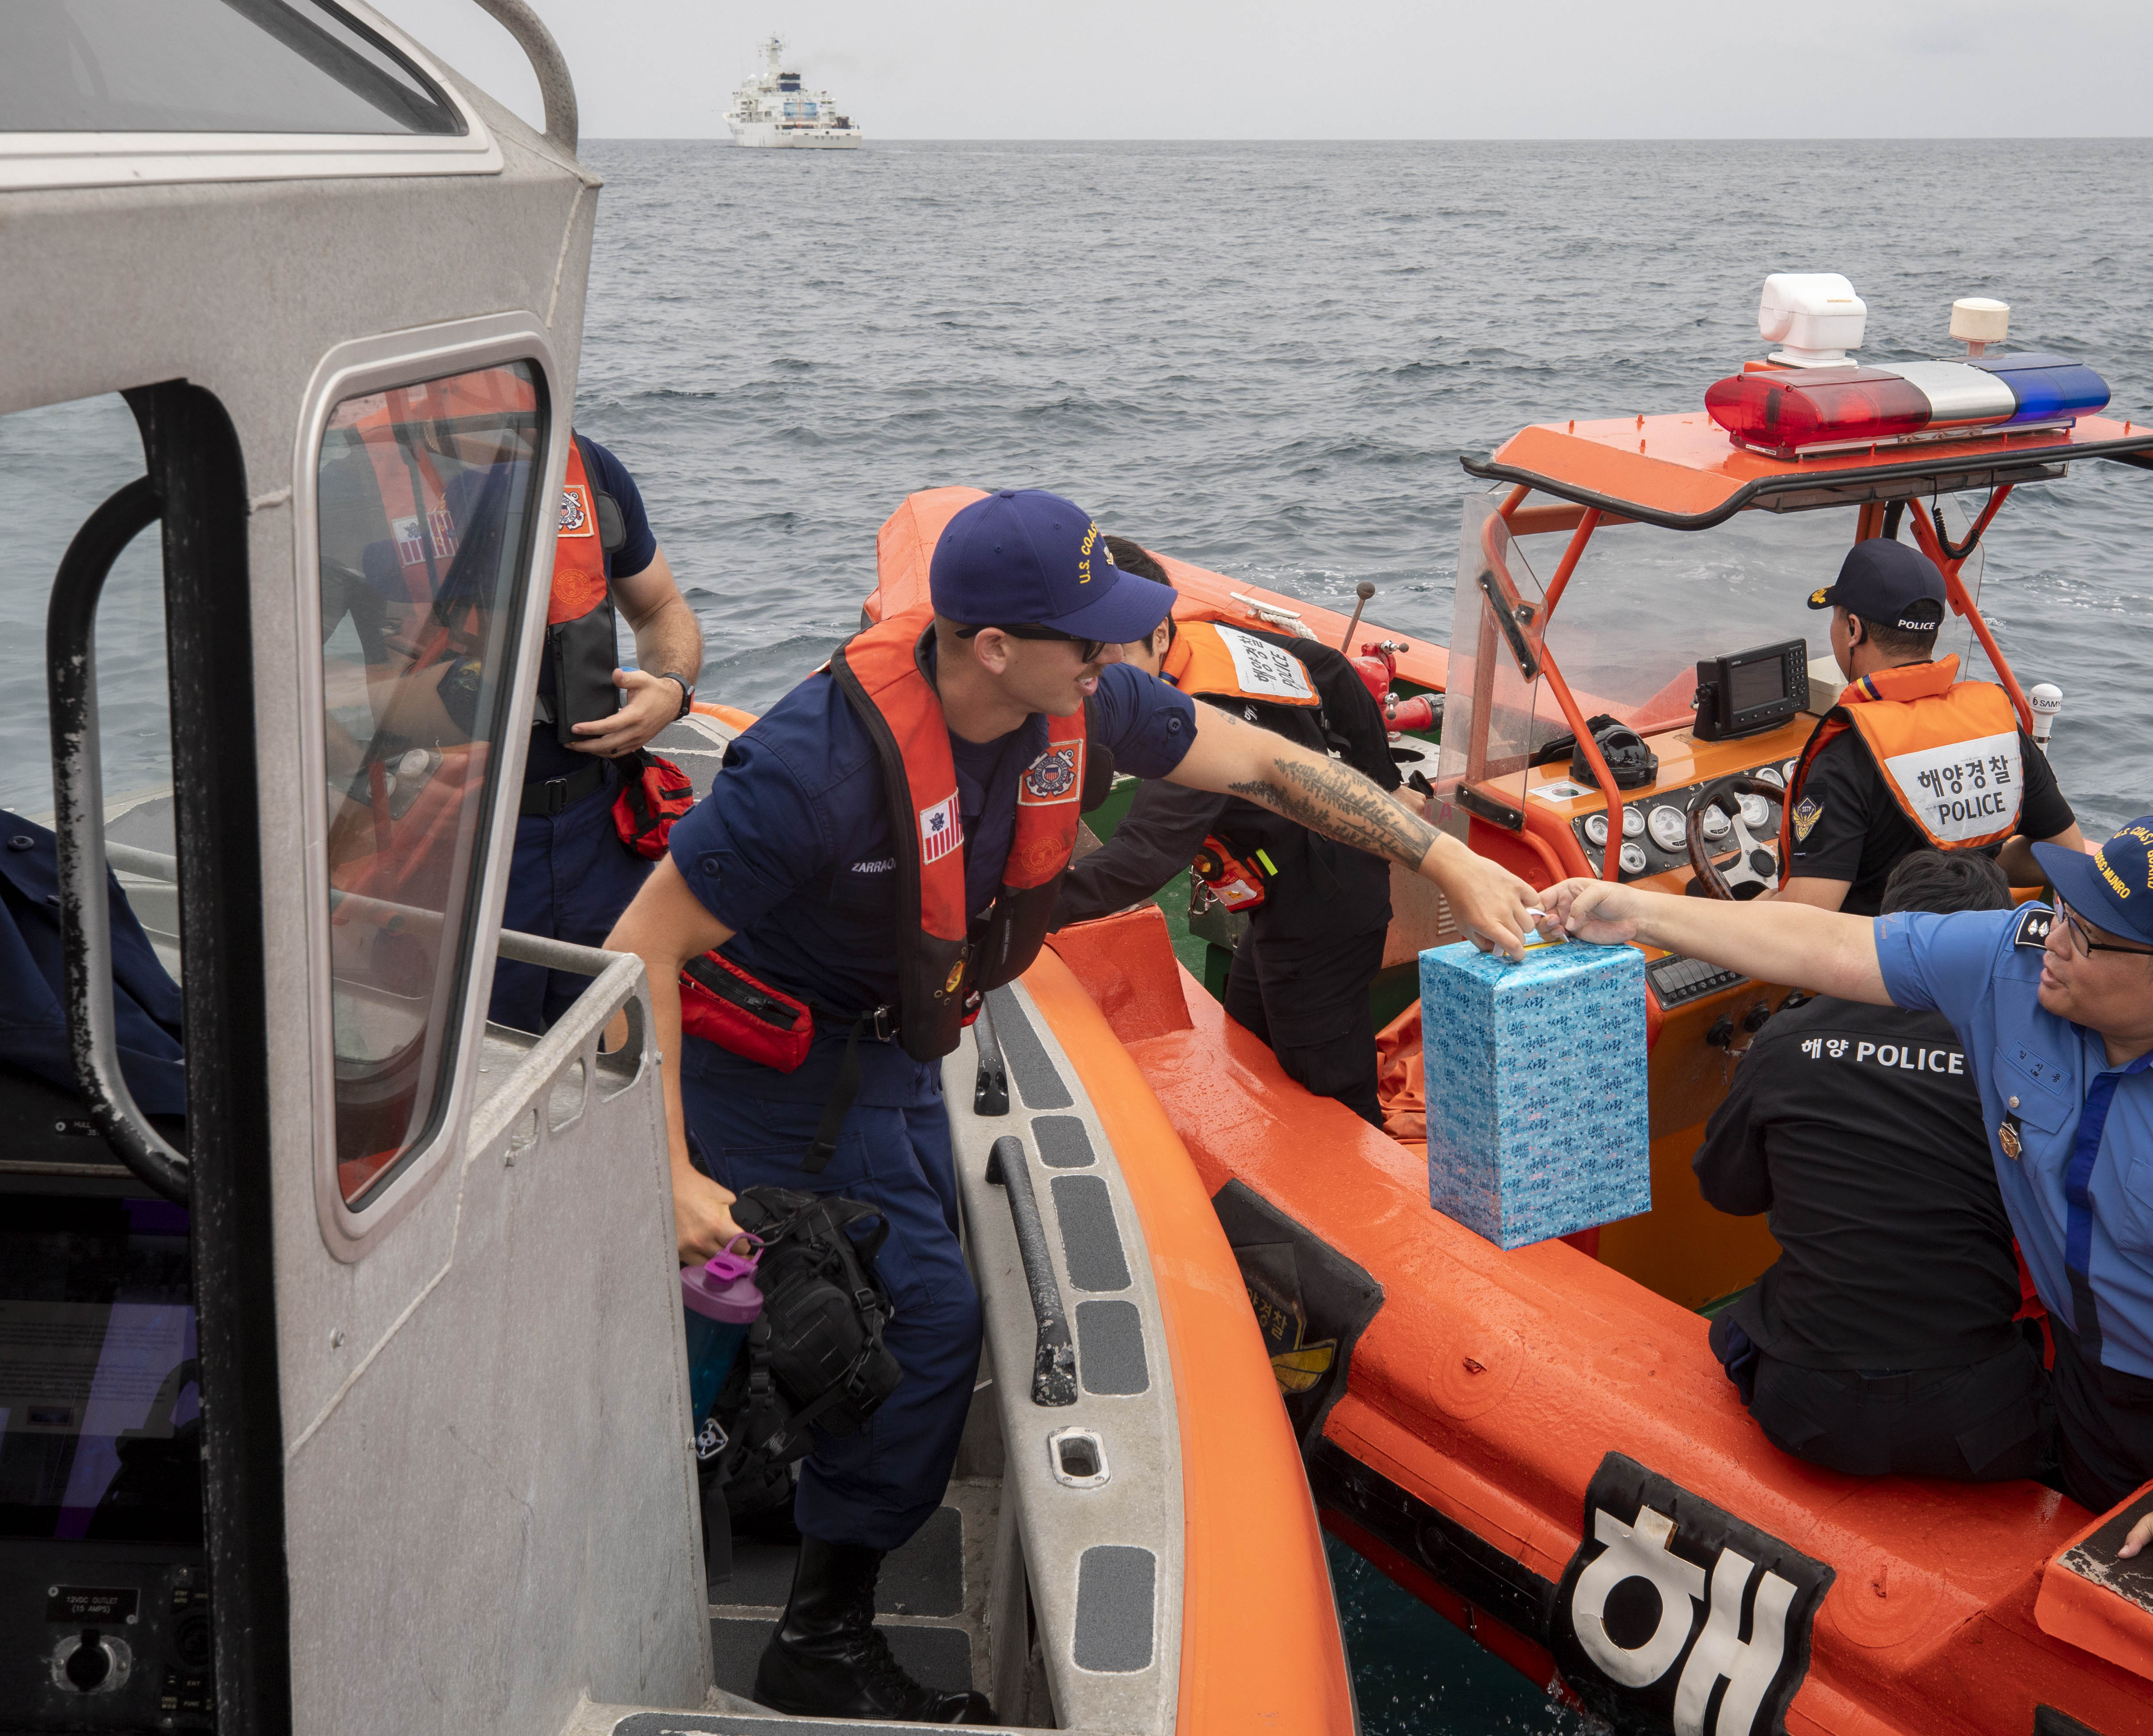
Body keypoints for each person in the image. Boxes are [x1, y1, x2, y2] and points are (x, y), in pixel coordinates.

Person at [601, 489, 1537, 1724]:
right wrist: (667, 1171)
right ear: (992, 647)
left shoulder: (1077, 705)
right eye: (1088, 637)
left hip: (895, 1043)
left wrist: (1447, 858)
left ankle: (786, 1474)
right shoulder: (811, 773)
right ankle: (818, 1637)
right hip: (776, 1069)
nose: (1112, 660)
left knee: (879, 1305)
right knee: (923, 1323)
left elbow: (1259, 757)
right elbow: (637, 952)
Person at [1539, 816, 2153, 1612]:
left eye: (2086, 934)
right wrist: (1636, 914)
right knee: (2112, 1618)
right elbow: (1828, 944)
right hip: (2103, 1383)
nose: (2053, 941)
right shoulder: (2014, 961)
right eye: (2060, 909)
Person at [1695, 850, 2049, 1481]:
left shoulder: (1785, 1037)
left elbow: (1729, 1190)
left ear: (1882, 928)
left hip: (1803, 1408)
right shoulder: (2026, 1058)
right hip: (1980, 1422)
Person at [1052, 537, 1398, 1126]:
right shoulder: (1208, 642)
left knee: (1329, 1081)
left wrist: (1018, 906)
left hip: (1324, 908)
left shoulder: (1200, 713)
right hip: (1273, 897)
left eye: (1111, 660)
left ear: (1159, 635)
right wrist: (1376, 777)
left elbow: (1142, 858)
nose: (1097, 681)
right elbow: (1331, 667)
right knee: (1247, 1033)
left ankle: (1373, 1189)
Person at [481, 435, 704, 1032]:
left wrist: (670, 688)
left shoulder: (593, 472)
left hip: (600, 829)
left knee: (612, 1046)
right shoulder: (362, 479)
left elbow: (661, 608)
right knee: (480, 1062)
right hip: (464, 845)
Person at [1777, 537, 2085, 913]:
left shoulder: (1847, 754)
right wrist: (1969, 861)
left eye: (1837, 615)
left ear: (1854, 629)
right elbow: (2067, 854)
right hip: (1981, 951)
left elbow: (1804, 919)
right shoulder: (1995, 724)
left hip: (1883, 964)